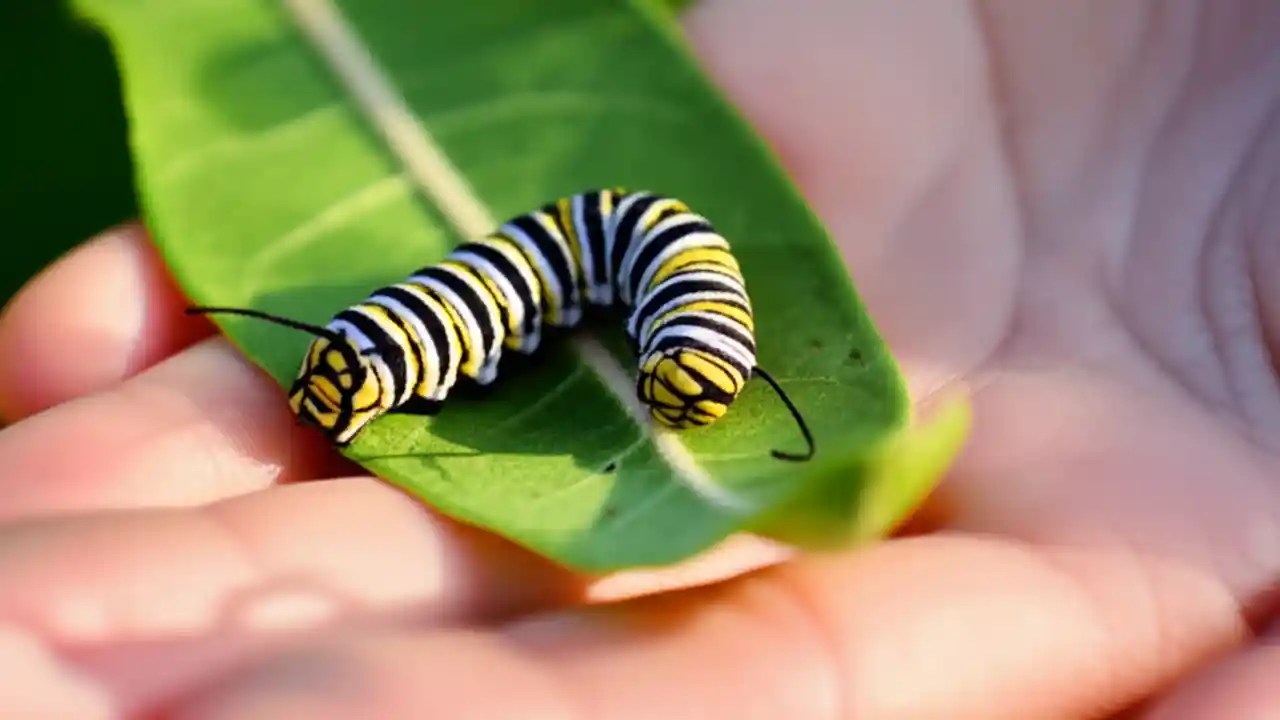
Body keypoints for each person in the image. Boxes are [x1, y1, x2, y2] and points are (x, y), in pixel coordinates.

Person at [0, 1, 1276, 716]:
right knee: (435, 324)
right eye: (687, 382)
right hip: (478, 306)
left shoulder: (654, 301)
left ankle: (383, 357)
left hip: (540, 289)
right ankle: (383, 356)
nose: (673, 400)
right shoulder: (616, 281)